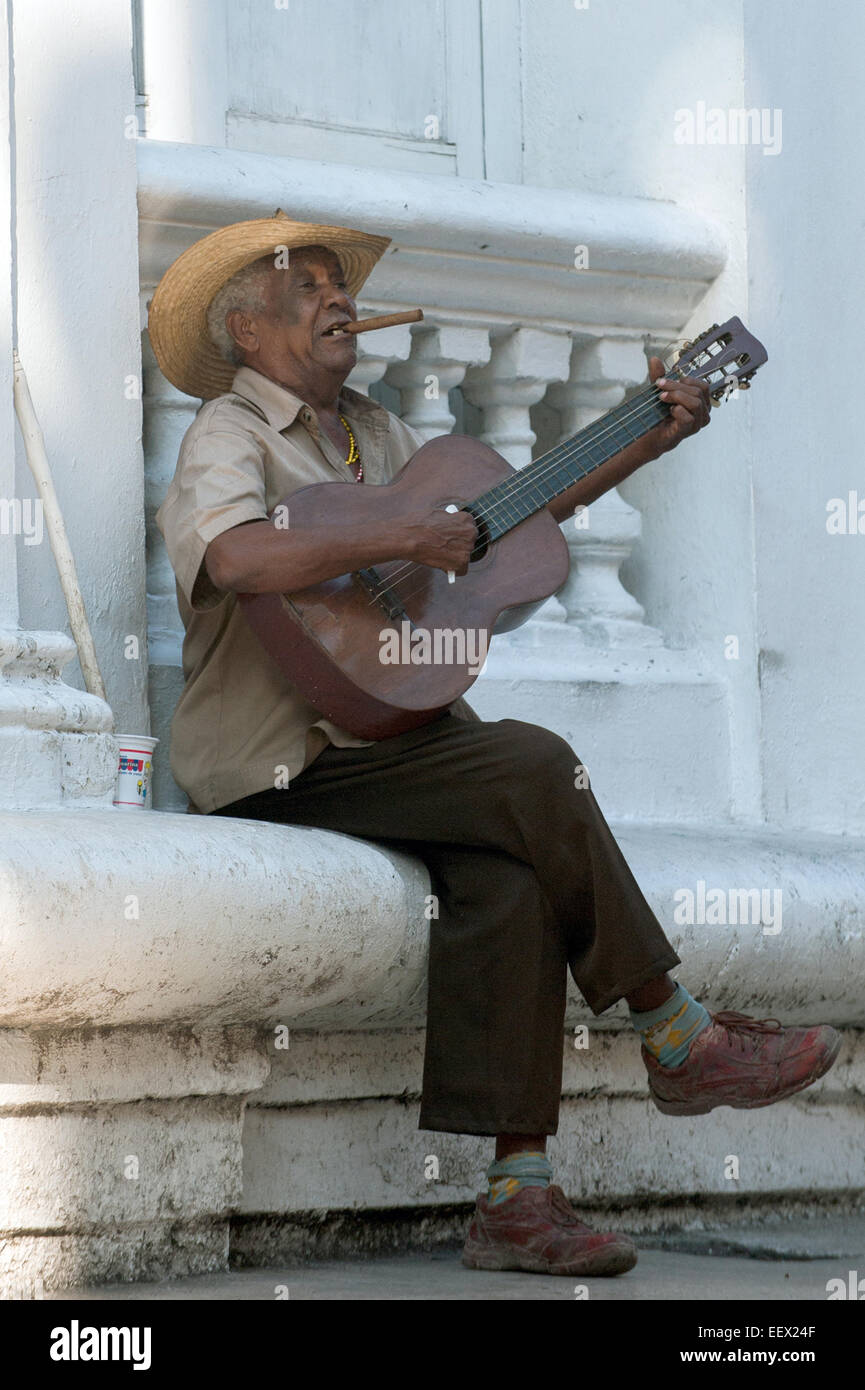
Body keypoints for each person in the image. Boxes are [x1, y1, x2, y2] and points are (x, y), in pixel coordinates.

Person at [151, 215, 840, 1278]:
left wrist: (642, 437)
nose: (339, 300)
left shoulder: (373, 436)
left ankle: (516, 1199)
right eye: (309, 288)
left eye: (342, 285)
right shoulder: (229, 431)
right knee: (533, 760)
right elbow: (239, 556)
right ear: (246, 329)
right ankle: (672, 1030)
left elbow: (501, 520)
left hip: (387, 740)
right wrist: (398, 537)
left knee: (513, 876)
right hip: (275, 762)